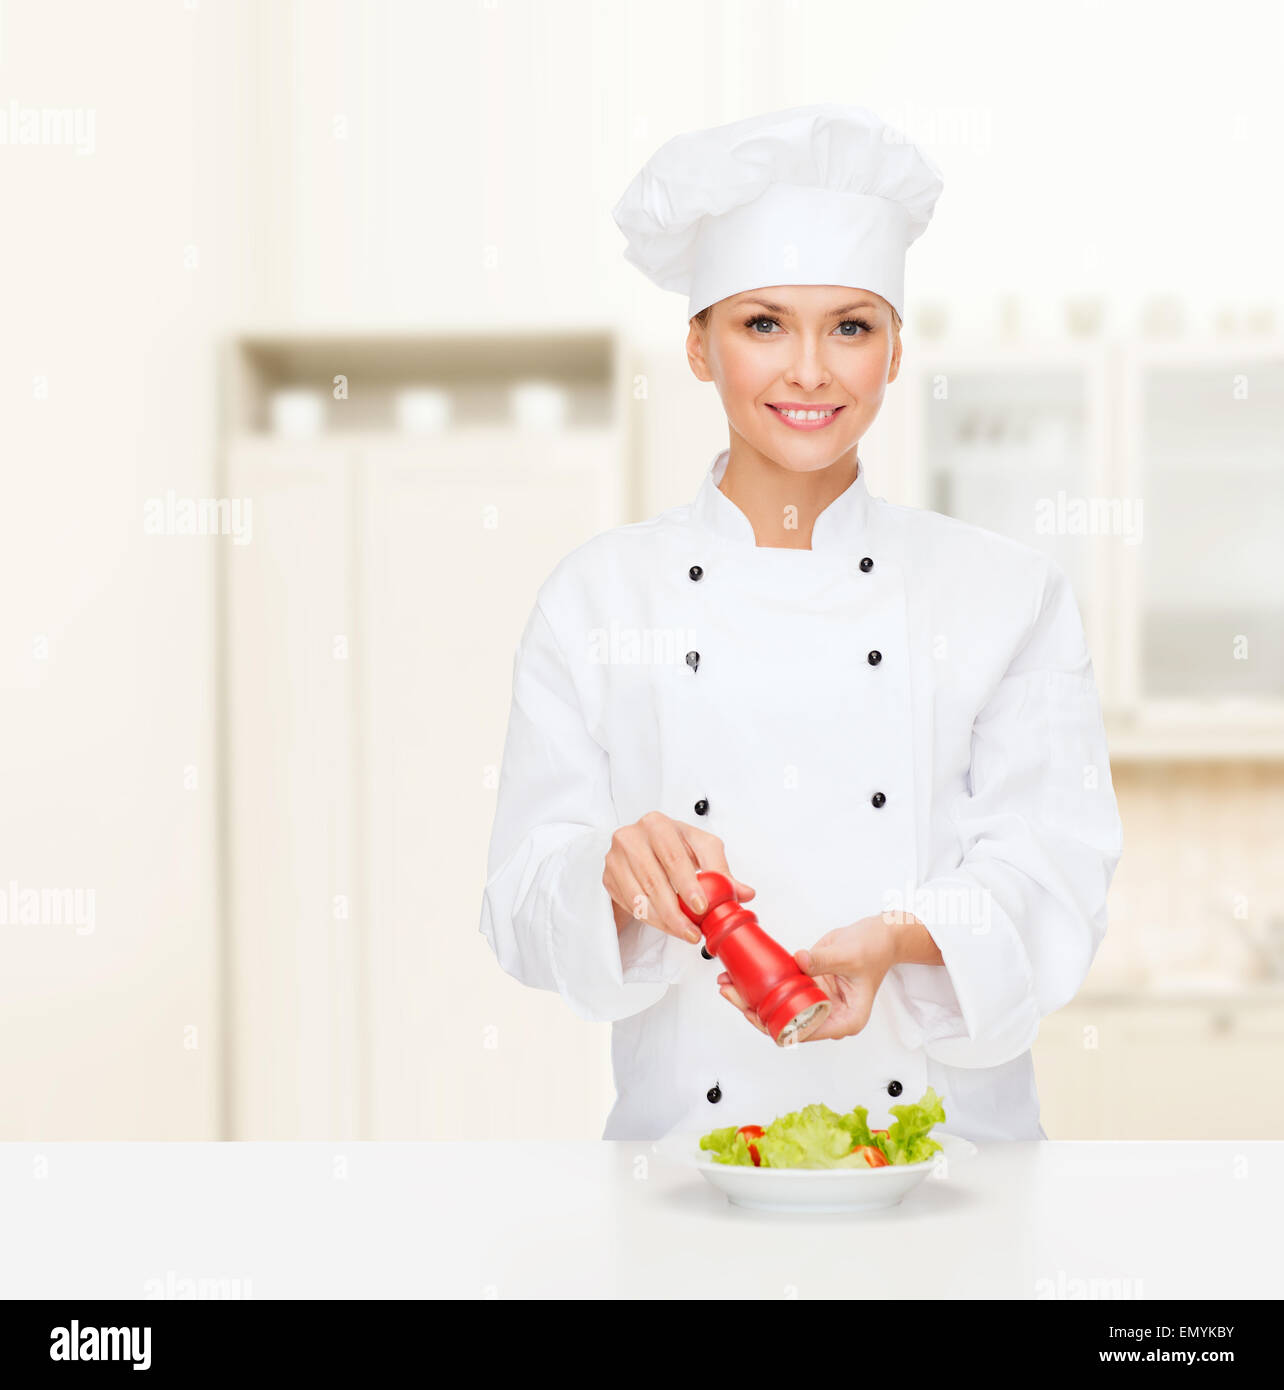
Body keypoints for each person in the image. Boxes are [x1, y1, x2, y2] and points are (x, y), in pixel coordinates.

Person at [478, 104, 1123, 1143]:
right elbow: (517, 904)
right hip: (688, 1164)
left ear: (896, 351)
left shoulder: (1007, 593)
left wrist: (898, 937)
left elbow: (1057, 871)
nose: (811, 371)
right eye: (763, 323)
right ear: (698, 345)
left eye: (852, 327)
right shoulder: (598, 599)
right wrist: (609, 875)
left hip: (950, 1168)